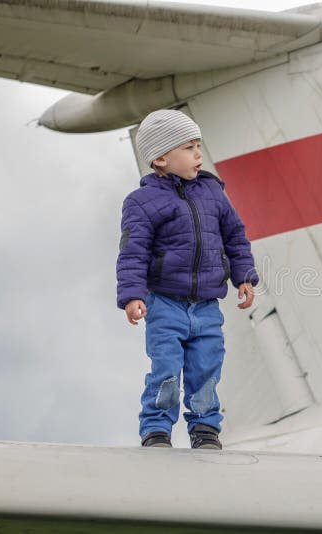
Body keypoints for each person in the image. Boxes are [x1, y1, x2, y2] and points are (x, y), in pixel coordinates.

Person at [116, 109, 259, 449]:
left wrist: (244, 276)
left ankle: (205, 428)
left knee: (206, 368)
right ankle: (156, 429)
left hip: (207, 305)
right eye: (190, 147)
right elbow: (133, 251)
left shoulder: (213, 194)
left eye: (199, 145)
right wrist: (132, 294)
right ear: (161, 157)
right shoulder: (142, 202)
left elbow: (235, 237)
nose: (199, 154)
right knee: (166, 369)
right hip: (165, 303)